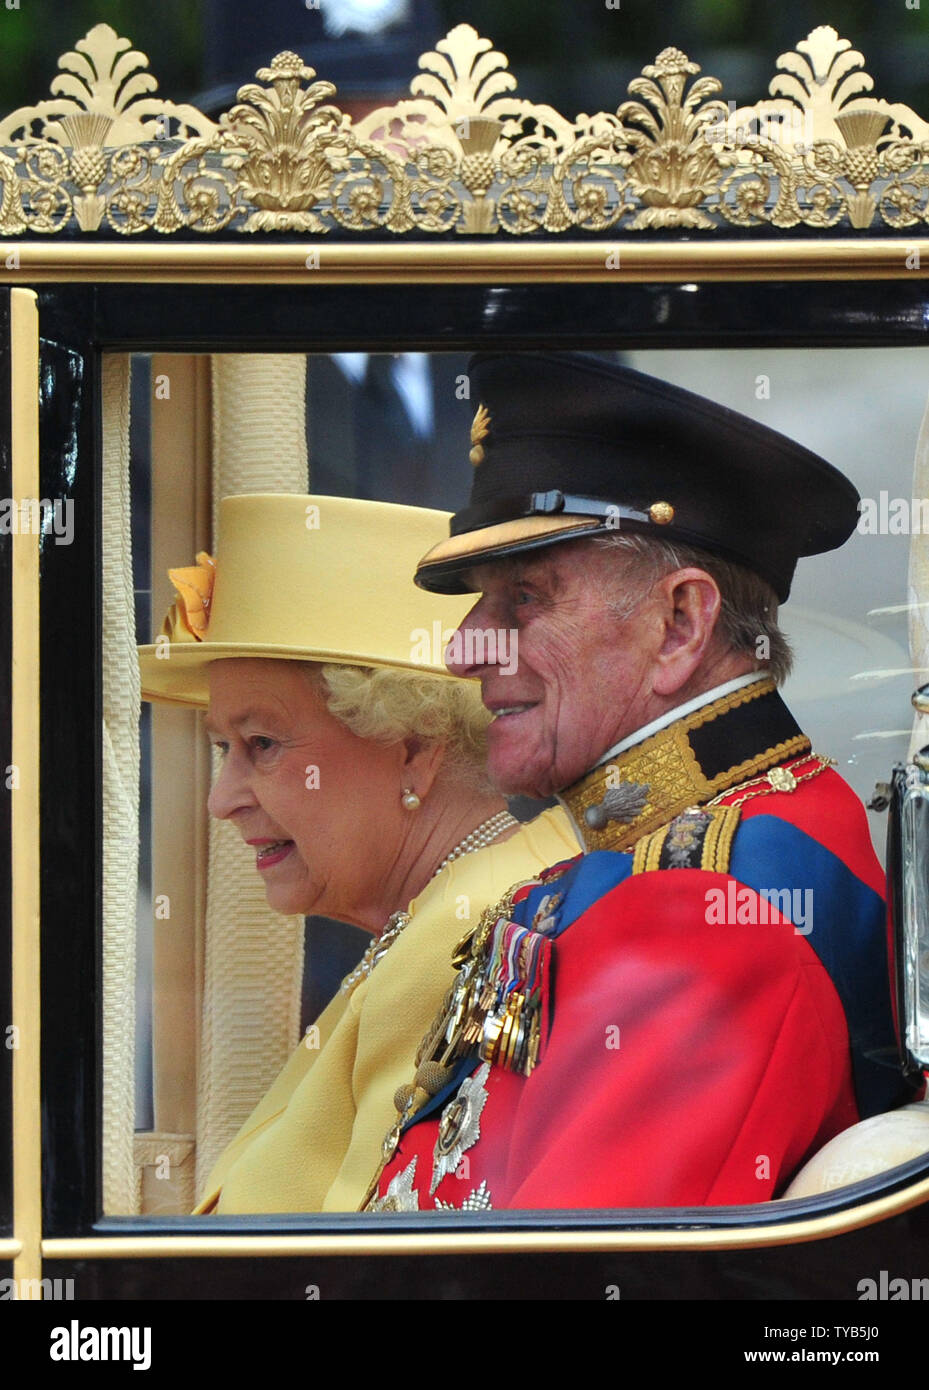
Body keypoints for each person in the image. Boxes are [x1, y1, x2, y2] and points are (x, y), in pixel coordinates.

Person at [368, 351, 916, 1213]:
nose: (464, 647)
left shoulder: (713, 905)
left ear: (678, 623)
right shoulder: (740, 834)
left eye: (523, 598)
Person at [137, 492, 577, 1213]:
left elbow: (362, 1269)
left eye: (262, 745)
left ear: (411, 751)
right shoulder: (442, 908)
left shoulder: (459, 935)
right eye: (223, 748)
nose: (223, 798)